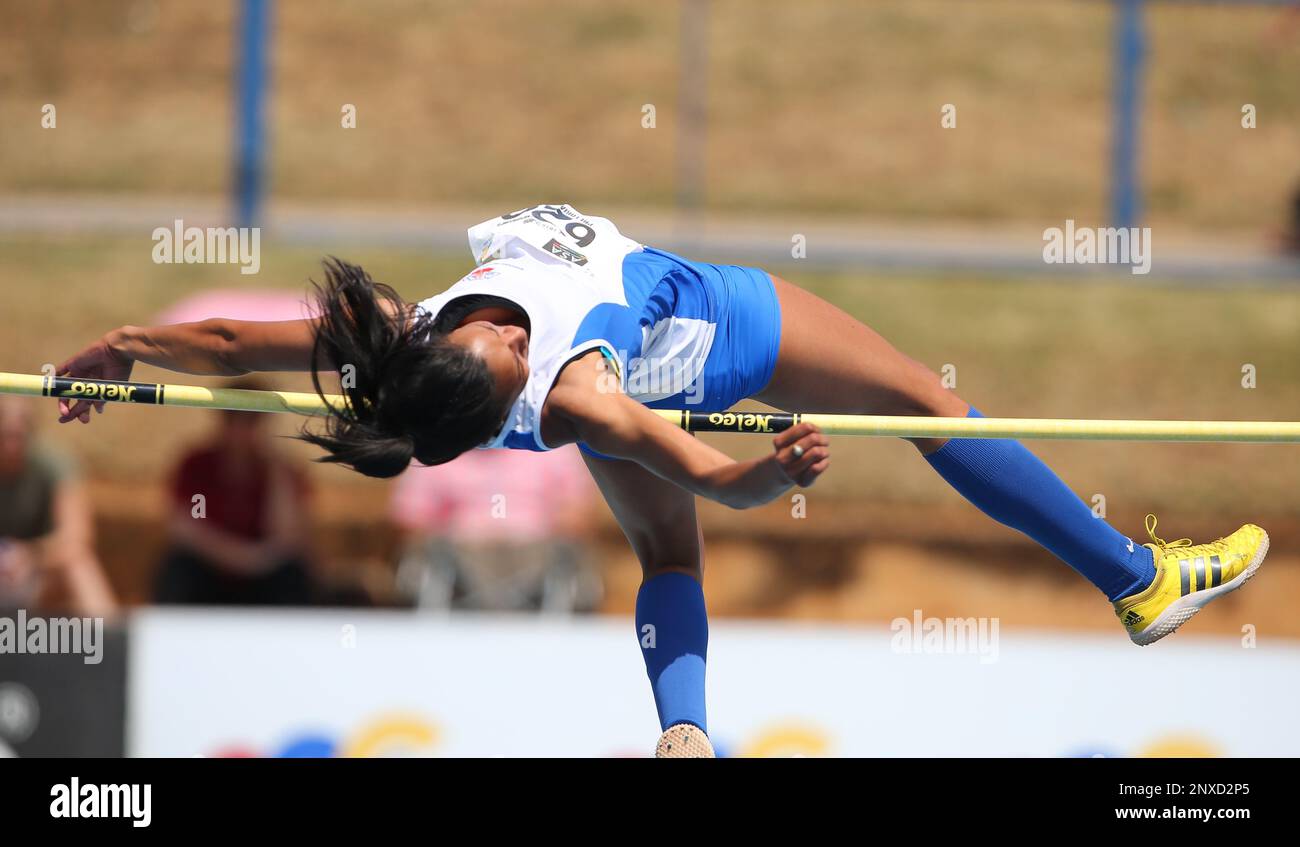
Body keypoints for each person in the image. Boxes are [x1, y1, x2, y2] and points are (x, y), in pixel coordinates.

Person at [53, 203, 1268, 757]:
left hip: (633, 390)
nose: (510, 336)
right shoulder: (575, 388)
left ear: (445, 344)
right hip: (720, 334)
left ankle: (682, 733)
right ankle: (1135, 580)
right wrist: (771, 468)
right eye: (512, 353)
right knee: (928, 404)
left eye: (498, 340)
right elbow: (712, 479)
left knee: (665, 556)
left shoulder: (402, 338)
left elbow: (232, 342)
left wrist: (122, 343)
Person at [154, 376, 316, 606]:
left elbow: (287, 535)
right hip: (210, 567)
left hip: (265, 571)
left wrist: (275, 471)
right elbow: (185, 529)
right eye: (234, 418)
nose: (242, 429)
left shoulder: (283, 470)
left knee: (293, 572)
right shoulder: (197, 465)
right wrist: (240, 557)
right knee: (179, 567)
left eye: (252, 420)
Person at [390, 445, 599, 612]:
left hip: (537, 558)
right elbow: (411, 518)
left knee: (564, 553)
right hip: (458, 562)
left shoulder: (552, 445)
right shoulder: (435, 450)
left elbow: (577, 513)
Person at [0, 396, 116, 617]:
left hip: (37, 576)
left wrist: (30, 557)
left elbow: (77, 538)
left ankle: (108, 634)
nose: (11, 444)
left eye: (19, 434)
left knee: (78, 564)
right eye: (4, 434)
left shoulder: (54, 464)